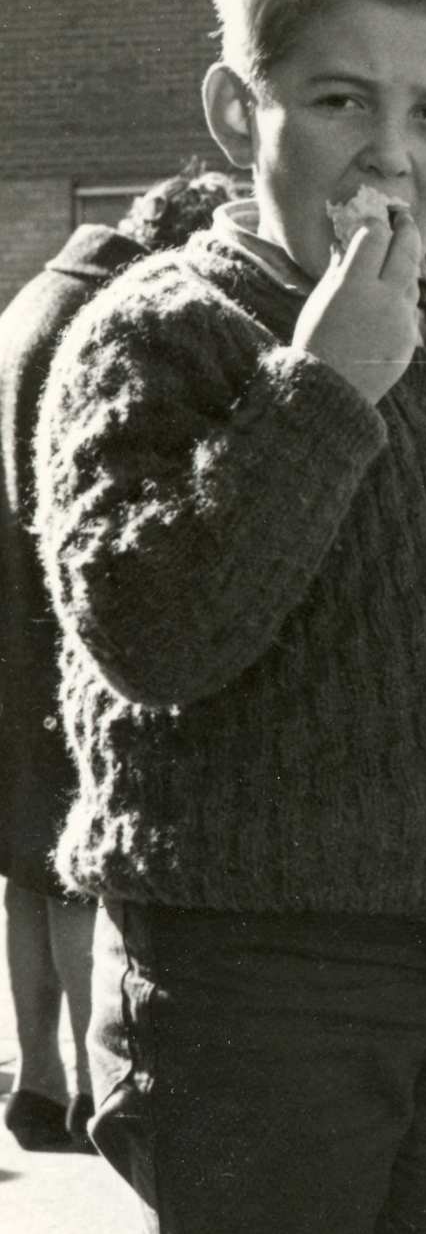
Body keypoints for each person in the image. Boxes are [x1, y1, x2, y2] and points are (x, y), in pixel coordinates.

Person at [35, 0, 426, 1234]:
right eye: (341, 100)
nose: (392, 154)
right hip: (254, 973)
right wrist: (325, 384)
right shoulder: (157, 327)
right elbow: (154, 630)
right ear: (241, 108)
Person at [1, 165, 236, 1154]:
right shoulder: (111, 312)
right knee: (70, 855)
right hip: (60, 616)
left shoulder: (28, 301)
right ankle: (97, 1090)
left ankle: (40, 1078)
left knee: (23, 862)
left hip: (5, 609)